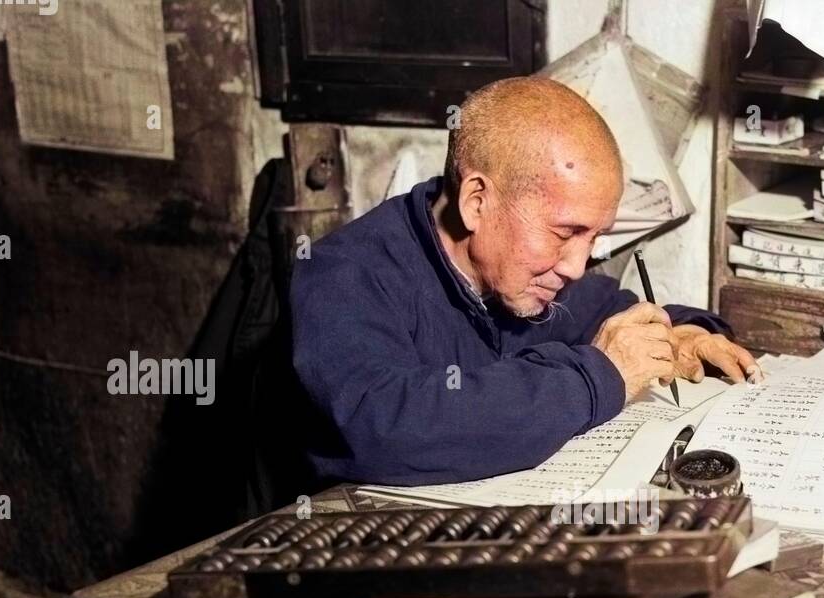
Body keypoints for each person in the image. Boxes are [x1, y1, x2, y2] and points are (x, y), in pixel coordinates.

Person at [290, 76, 761, 487]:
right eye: (565, 232)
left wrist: (687, 332)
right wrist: (600, 376)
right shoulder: (345, 275)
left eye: (594, 238)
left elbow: (610, 310)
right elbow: (386, 426)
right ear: (477, 201)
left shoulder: (528, 278)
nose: (577, 265)